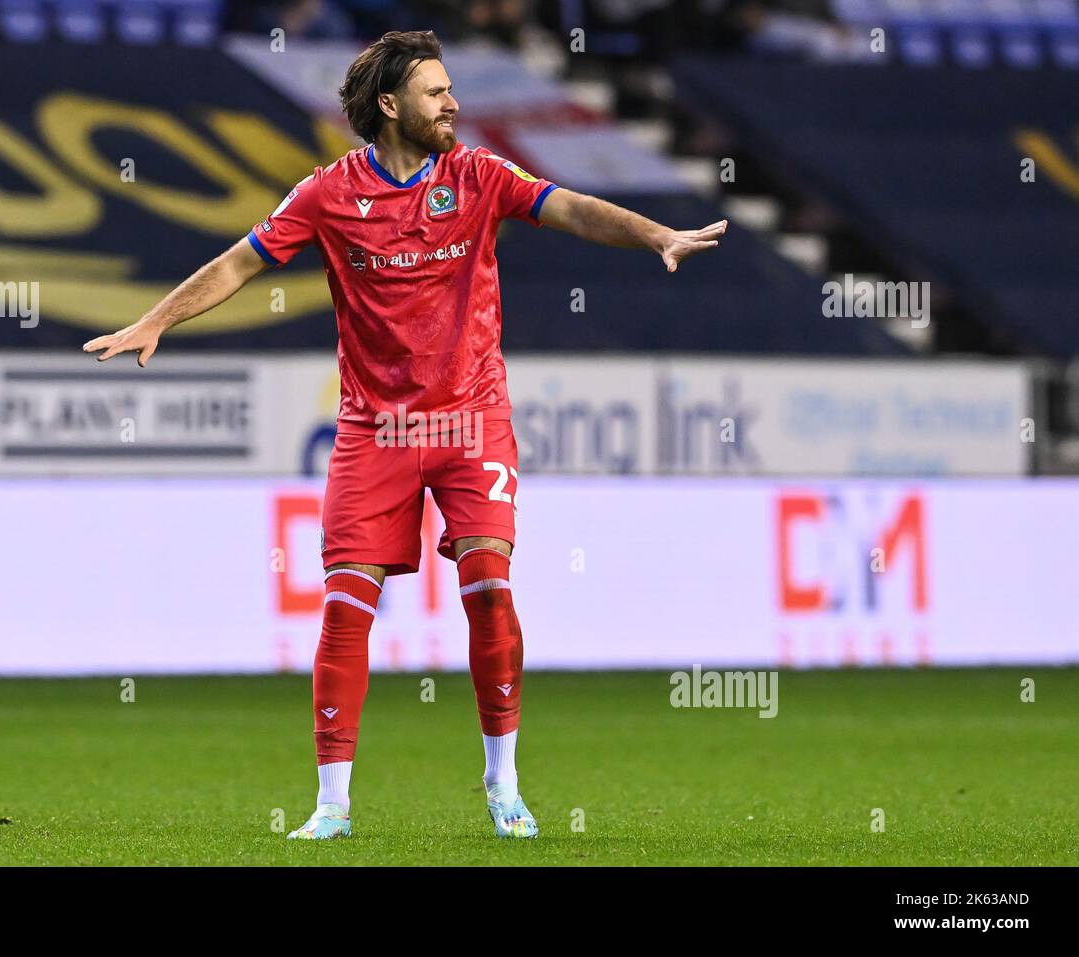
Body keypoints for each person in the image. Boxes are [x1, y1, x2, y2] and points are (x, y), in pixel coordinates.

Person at [84, 29, 724, 840]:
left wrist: (656, 235)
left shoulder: (479, 175)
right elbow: (241, 262)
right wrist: (156, 319)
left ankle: (504, 784)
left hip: (473, 422)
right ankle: (331, 806)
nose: (453, 103)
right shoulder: (326, 193)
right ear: (390, 106)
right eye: (435, 91)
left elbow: (569, 207)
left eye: (453, 88)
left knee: (489, 587)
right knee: (347, 607)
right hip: (373, 429)